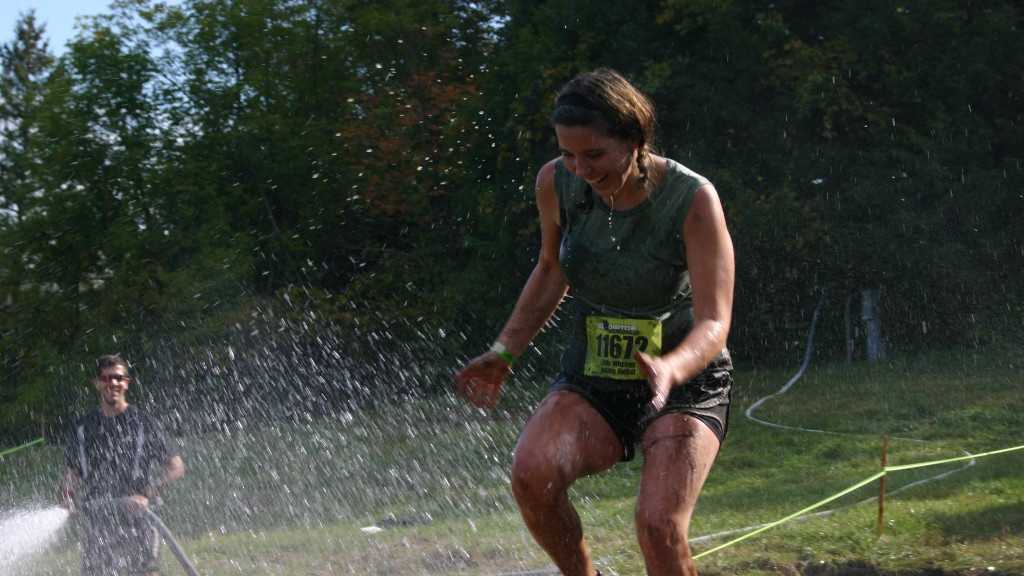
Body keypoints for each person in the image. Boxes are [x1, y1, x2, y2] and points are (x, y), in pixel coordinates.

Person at [455, 68, 735, 576]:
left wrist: (670, 368)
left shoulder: (693, 199)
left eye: (595, 155)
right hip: (596, 375)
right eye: (568, 154)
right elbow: (551, 269)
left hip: (685, 381)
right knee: (532, 475)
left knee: (658, 526)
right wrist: (505, 350)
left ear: (634, 139)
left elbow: (715, 321)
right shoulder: (555, 183)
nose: (580, 169)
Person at [59, 354, 186, 576]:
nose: (113, 383)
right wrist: (67, 496)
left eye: (118, 378)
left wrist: (147, 493)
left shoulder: (143, 423)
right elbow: (73, 472)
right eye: (106, 378)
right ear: (97, 383)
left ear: (127, 382)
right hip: (99, 522)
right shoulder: (83, 427)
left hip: (138, 521)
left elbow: (177, 467)